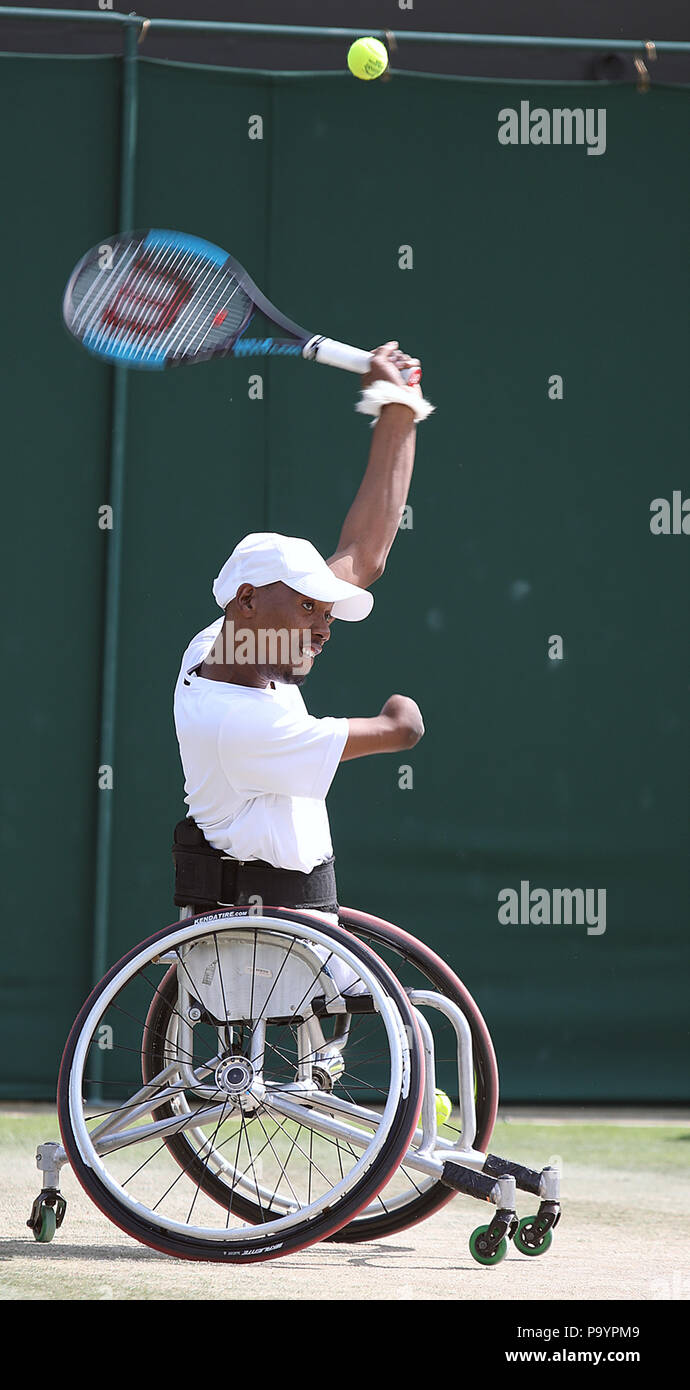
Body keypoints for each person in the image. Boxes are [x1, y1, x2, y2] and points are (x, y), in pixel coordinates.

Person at [172, 343, 433, 982]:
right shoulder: (244, 725)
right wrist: (401, 707)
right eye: (309, 609)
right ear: (250, 600)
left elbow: (363, 554)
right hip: (271, 946)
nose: (323, 626)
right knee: (421, 1032)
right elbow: (403, 729)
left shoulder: (220, 646)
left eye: (325, 612)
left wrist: (397, 406)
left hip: (295, 921)